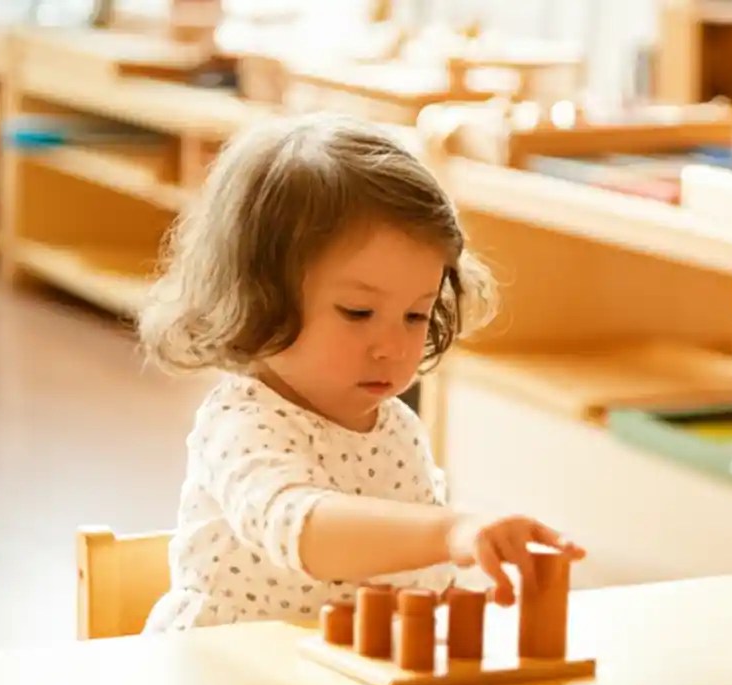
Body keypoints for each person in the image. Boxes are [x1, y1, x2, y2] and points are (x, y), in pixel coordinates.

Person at [137, 113, 585, 631]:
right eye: (357, 312)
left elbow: (416, 573)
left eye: (416, 314)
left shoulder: (395, 428)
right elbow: (303, 529)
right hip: (226, 682)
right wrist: (449, 530)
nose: (392, 347)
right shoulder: (242, 421)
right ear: (259, 297)